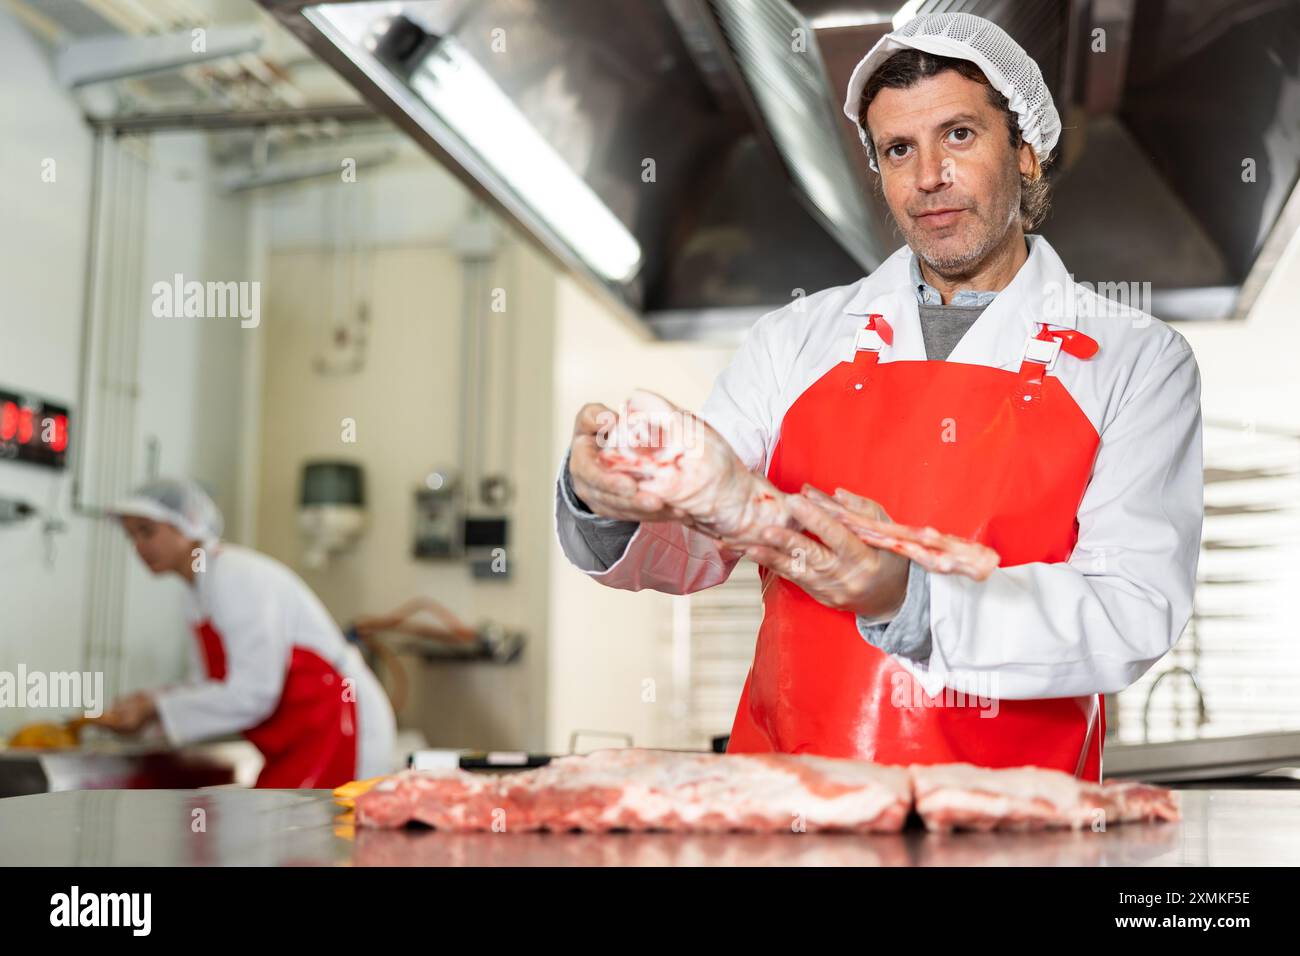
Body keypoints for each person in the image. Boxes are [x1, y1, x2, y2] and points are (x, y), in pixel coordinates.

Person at [553, 12, 1203, 781]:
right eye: (899, 149)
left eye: (958, 135)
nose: (928, 176)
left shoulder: (1135, 360)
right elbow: (696, 541)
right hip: (787, 813)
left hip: (1013, 826)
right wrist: (607, 498)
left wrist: (911, 597)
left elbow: (1129, 611)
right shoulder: (795, 339)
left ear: (1026, 152)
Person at [99, 478, 396, 787]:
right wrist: (149, 707)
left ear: (186, 526)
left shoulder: (235, 578)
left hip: (339, 724)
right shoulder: (196, 593)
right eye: (130, 535)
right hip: (300, 738)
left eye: (147, 531)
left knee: (322, 828)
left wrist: (156, 708)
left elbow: (255, 694)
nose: (138, 547)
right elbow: (208, 684)